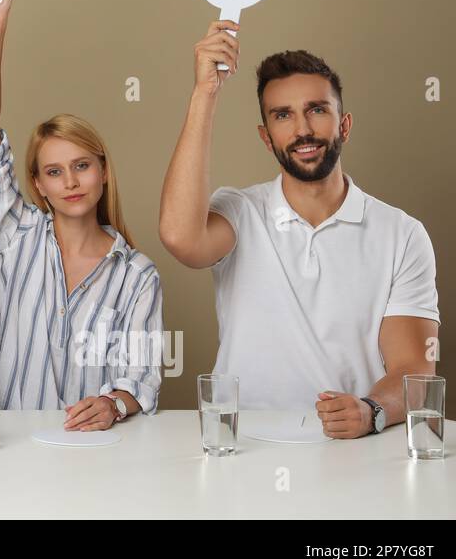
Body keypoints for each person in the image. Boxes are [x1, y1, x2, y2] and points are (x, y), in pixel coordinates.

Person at [158, 22, 440, 438]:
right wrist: (205, 93)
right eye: (282, 116)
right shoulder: (238, 212)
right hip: (243, 446)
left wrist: (370, 410)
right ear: (266, 138)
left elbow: (414, 367)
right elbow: (180, 238)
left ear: (343, 125)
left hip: (351, 450)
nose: (302, 129)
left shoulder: (402, 234)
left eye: (316, 110)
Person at [0, 0, 163, 429]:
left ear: (103, 172)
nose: (71, 182)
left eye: (81, 166)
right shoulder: (18, 235)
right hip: (9, 452)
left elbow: (141, 380)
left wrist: (115, 402)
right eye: (54, 172)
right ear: (39, 185)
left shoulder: (137, 275)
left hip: (90, 460)